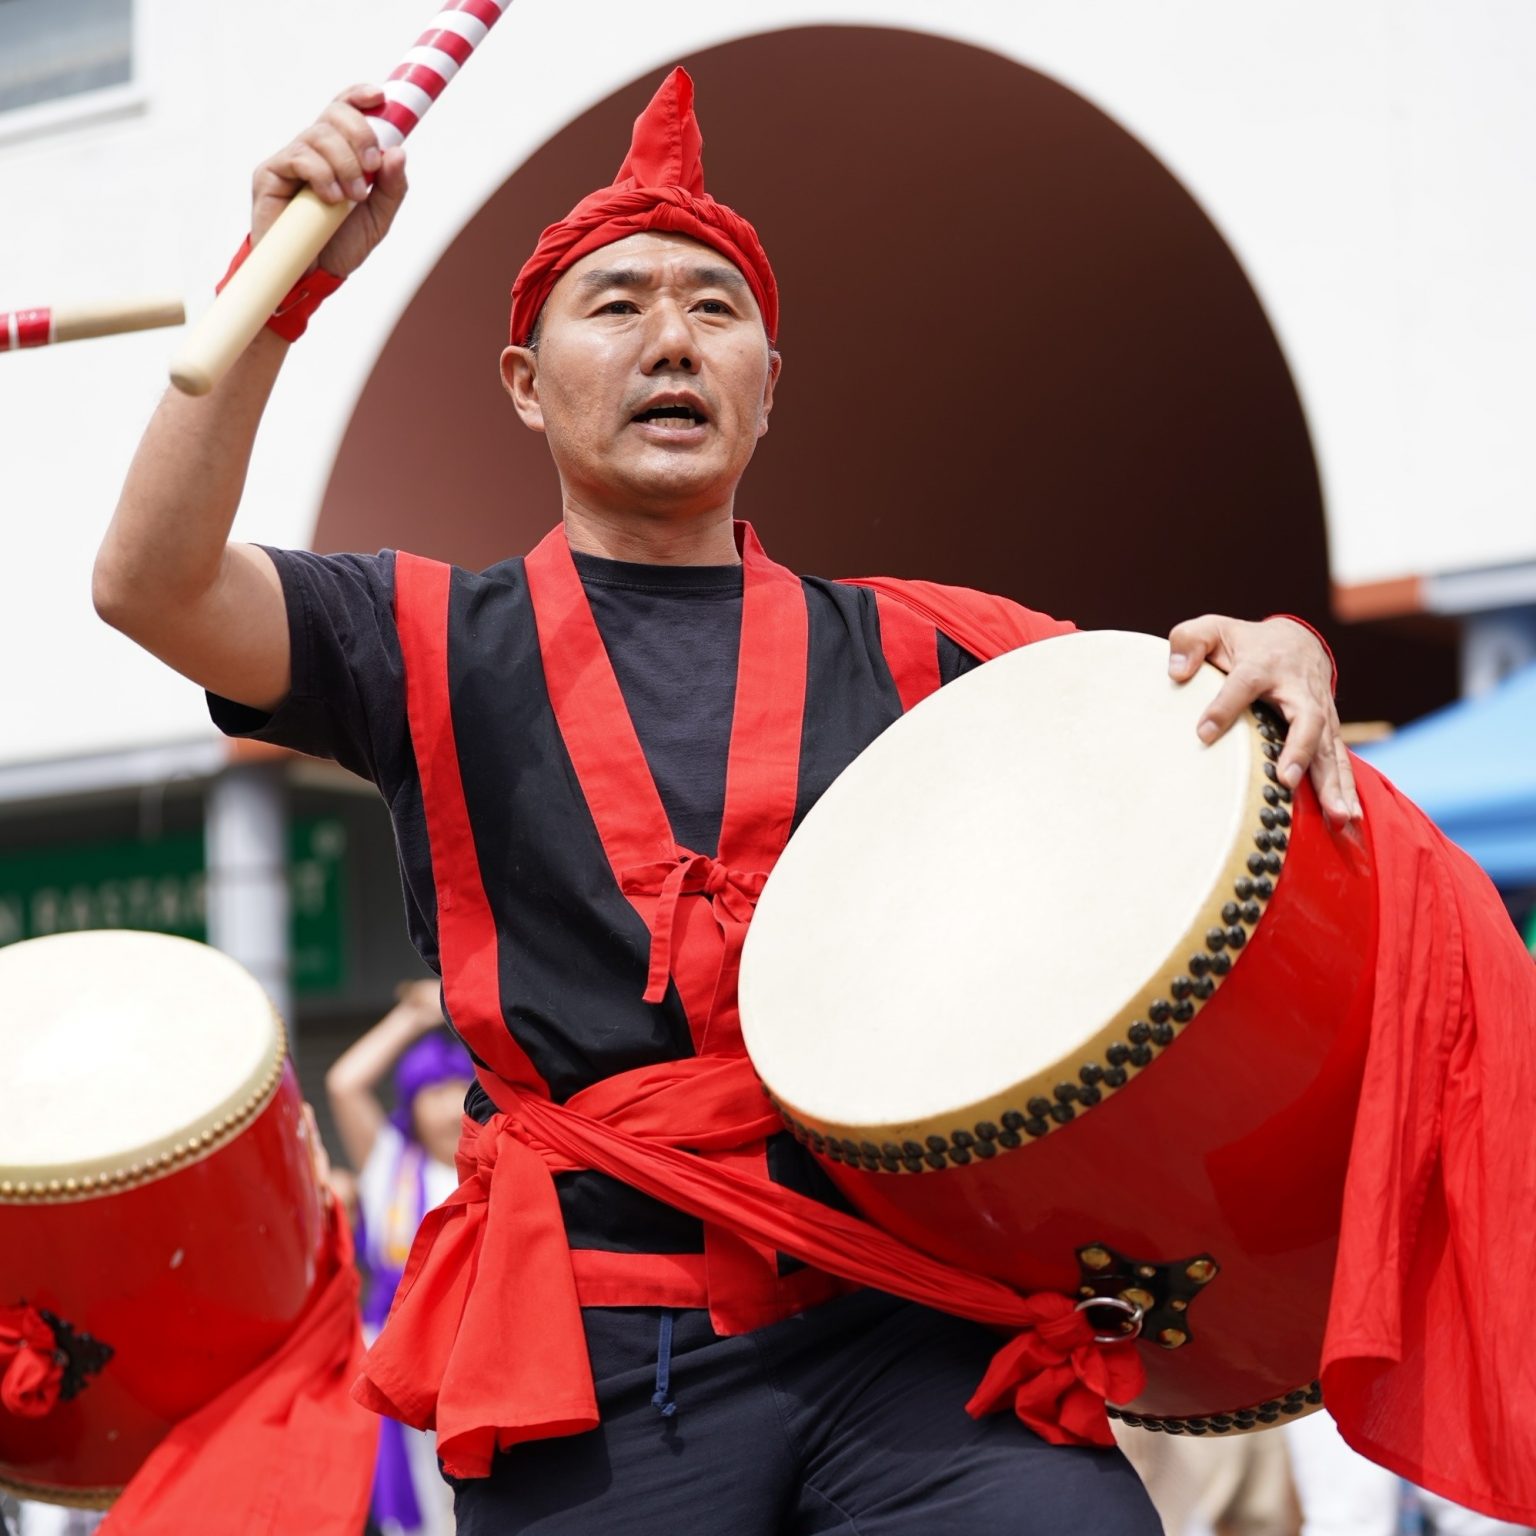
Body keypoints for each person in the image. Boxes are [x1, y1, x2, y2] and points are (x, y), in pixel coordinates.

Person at [93, 67, 1386, 1536]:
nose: (672, 340)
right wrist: (277, 295)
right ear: (524, 383)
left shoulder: (923, 646)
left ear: (770, 386)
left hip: (906, 1311)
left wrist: (1279, 648)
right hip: (595, 1342)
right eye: (619, 303)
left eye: (716, 309)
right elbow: (152, 584)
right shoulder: (424, 636)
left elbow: (1173, 732)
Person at [327, 982, 473, 1536]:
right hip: (398, 1351)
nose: (445, 1105)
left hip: (468, 1347)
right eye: (431, 1091)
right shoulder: (391, 1162)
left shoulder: (490, 1158)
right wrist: (415, 1016)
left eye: (458, 1087)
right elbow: (344, 1082)